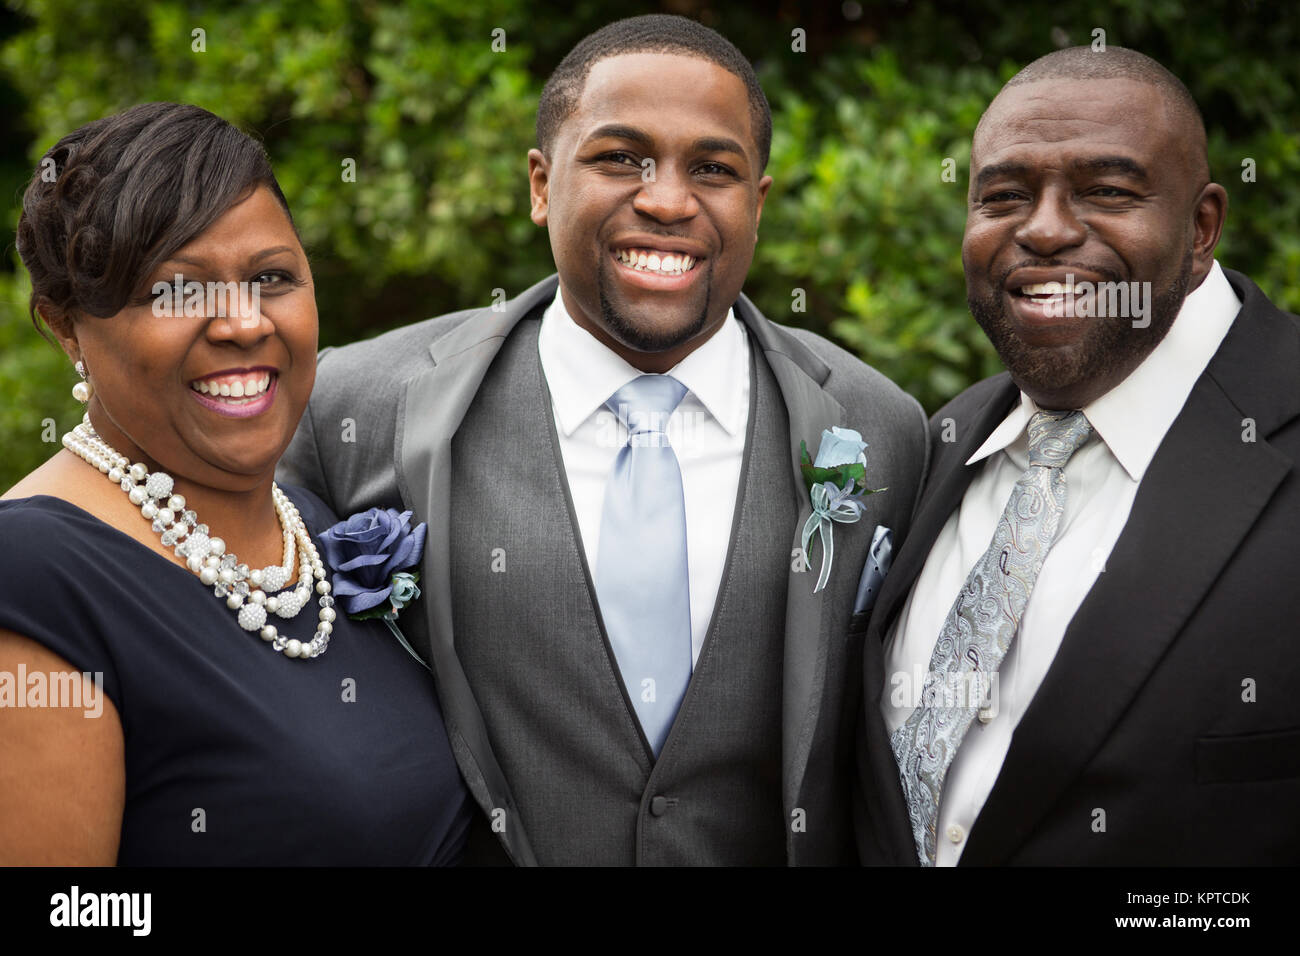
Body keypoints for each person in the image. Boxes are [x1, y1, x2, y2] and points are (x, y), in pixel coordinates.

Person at [279, 14, 928, 866]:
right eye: (621, 158)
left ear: (757, 203)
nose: (666, 200)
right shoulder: (351, 408)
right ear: (542, 184)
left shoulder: (883, 430)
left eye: (713, 168)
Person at [855, 46, 1300, 866]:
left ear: (1202, 229)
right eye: (1004, 196)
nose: (1047, 229)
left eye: (1106, 191)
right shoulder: (930, 447)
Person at [0, 102, 471, 865]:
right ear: (65, 326)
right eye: (176, 292)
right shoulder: (36, 579)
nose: (244, 323)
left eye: (272, 278)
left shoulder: (318, 529)